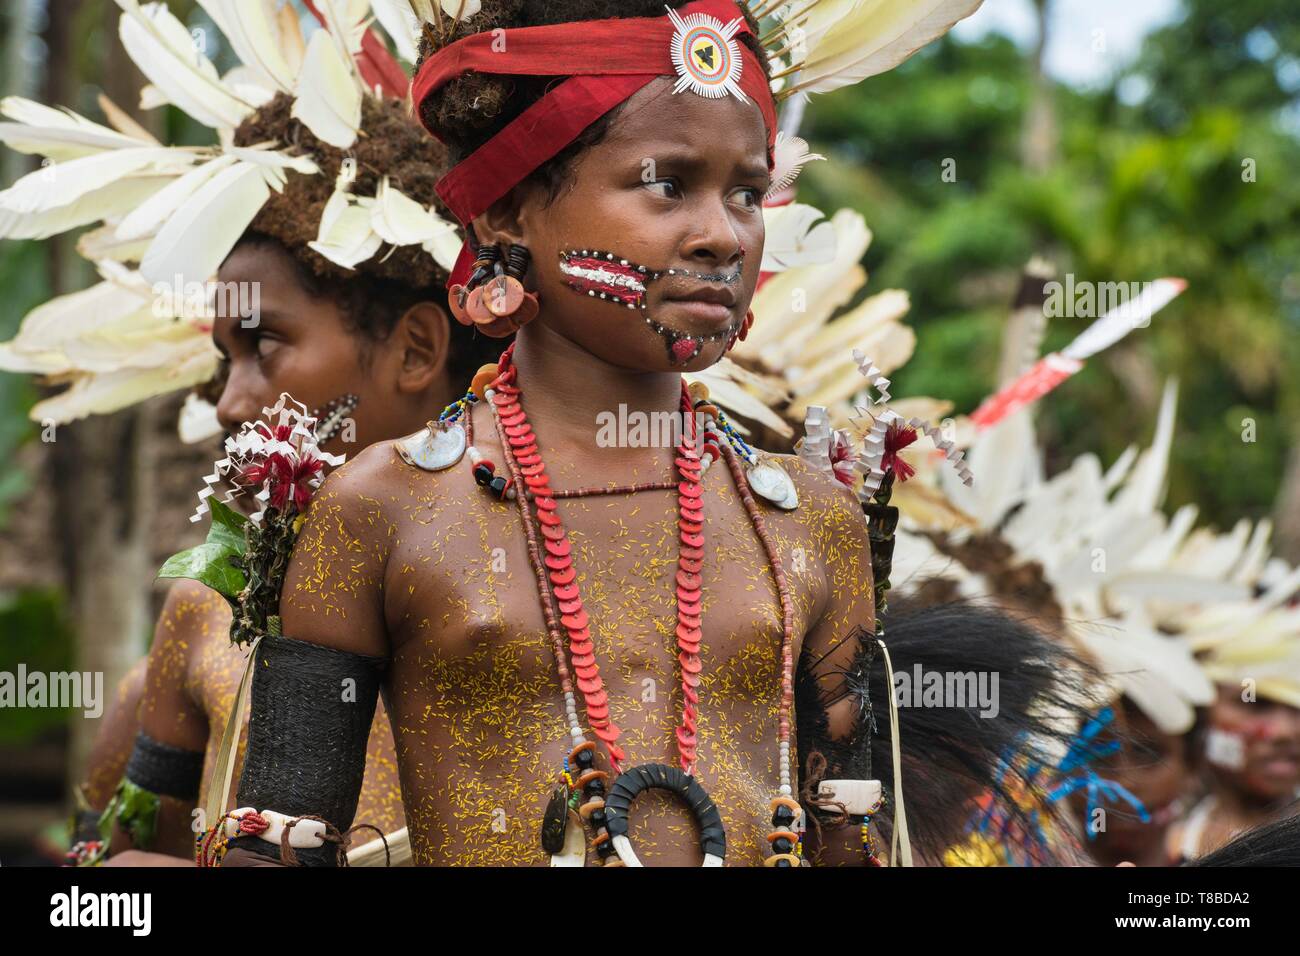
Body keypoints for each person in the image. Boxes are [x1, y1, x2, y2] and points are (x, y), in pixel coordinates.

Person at [209, 0, 1120, 869]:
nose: (723, 236)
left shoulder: (810, 521)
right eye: (667, 185)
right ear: (507, 210)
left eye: (748, 193)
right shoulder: (383, 508)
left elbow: (848, 843)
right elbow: (281, 844)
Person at [0, 4, 497, 864]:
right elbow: (107, 886)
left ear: (416, 350)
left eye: (263, 347)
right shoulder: (205, 617)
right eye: (223, 359)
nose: (229, 404)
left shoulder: (536, 597)